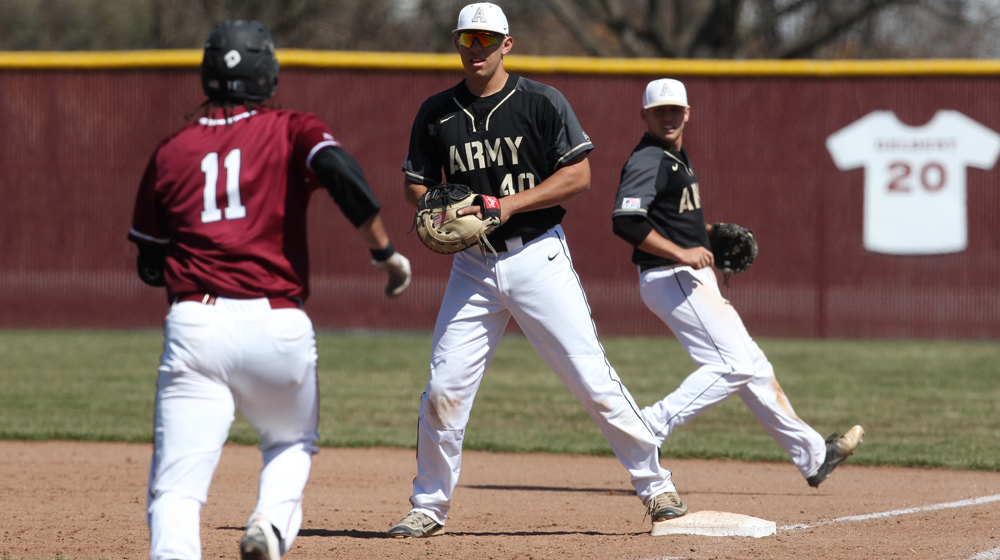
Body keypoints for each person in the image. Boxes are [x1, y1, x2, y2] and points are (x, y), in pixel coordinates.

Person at [386, 2, 686, 539]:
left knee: (591, 377)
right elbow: (414, 184)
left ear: (506, 44)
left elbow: (579, 175)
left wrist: (508, 206)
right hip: (472, 267)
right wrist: (438, 203)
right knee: (443, 390)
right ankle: (428, 505)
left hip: (537, 256)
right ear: (457, 44)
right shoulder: (437, 113)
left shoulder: (540, 102)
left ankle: (656, 483)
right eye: (466, 40)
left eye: (485, 40)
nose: (475, 50)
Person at [127, 20, 411, 560]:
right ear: (268, 71)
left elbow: (149, 260)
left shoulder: (173, 149)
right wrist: (383, 252)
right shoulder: (292, 128)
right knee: (289, 441)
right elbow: (339, 170)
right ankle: (270, 526)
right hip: (278, 321)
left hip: (197, 323)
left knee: (176, 489)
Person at [611, 77, 864, 489]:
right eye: (660, 111)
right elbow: (626, 219)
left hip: (687, 275)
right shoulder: (649, 158)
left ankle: (814, 455)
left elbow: (667, 215)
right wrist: (681, 252)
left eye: (675, 109)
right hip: (670, 276)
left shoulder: (675, 155)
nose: (669, 117)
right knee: (732, 365)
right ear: (646, 116)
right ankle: (648, 427)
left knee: (754, 366)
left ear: (688, 113)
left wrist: (702, 233)